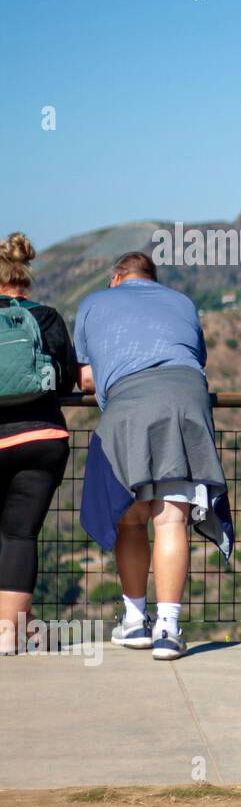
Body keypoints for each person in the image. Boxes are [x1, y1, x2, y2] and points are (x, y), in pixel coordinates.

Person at [76, 252, 233, 662]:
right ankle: (168, 629)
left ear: (116, 279)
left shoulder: (94, 302)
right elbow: (194, 359)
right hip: (186, 401)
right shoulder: (181, 301)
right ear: (153, 280)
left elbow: (85, 375)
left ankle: (133, 620)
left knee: (131, 517)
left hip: (129, 405)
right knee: (171, 518)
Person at [0, 233, 78, 654]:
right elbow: (65, 378)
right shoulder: (46, 317)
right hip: (40, 436)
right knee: (19, 536)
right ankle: (9, 637)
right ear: (25, 276)